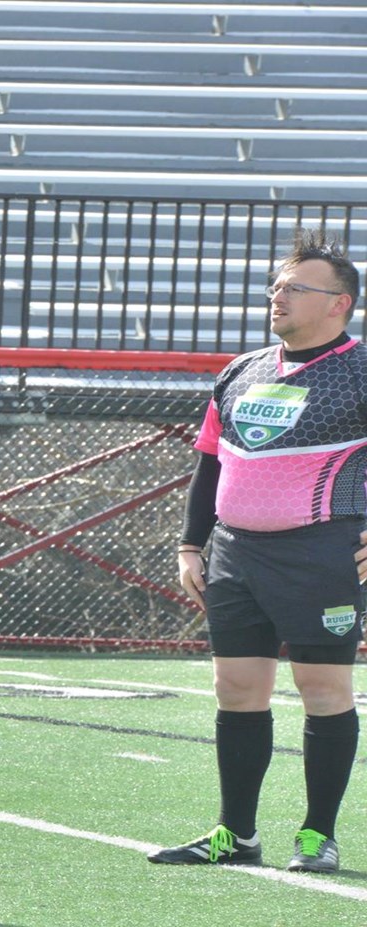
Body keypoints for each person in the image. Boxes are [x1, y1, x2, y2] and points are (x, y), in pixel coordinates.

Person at [154, 229, 364, 874]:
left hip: (323, 552)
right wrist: (193, 544)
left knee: (323, 688)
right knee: (237, 687)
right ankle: (235, 834)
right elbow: (210, 463)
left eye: (296, 287)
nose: (278, 297)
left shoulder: (360, 370)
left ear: (339, 303)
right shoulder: (241, 370)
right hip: (236, 555)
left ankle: (316, 836)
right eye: (276, 285)